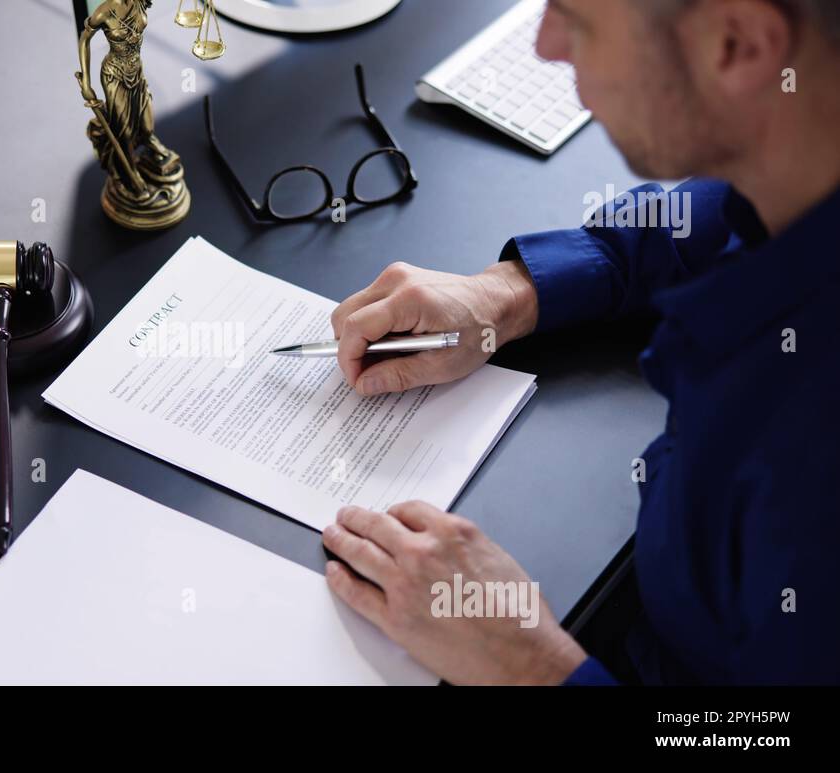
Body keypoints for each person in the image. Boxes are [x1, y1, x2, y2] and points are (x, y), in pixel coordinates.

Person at [322, 0, 840, 684]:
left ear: (737, 44)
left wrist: (532, 664)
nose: (546, 44)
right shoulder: (801, 155)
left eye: (576, 17)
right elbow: (713, 213)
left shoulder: (809, 469)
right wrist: (509, 294)